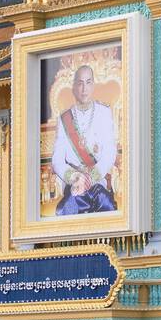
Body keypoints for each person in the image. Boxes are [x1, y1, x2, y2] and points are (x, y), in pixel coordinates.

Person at [51, 65, 117, 214]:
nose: (84, 88)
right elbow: (57, 159)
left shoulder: (104, 113)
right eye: (80, 83)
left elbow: (109, 153)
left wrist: (90, 178)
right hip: (74, 185)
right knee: (66, 211)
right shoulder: (64, 119)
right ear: (74, 87)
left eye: (88, 82)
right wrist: (75, 177)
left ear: (93, 85)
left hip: (97, 183)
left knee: (107, 206)